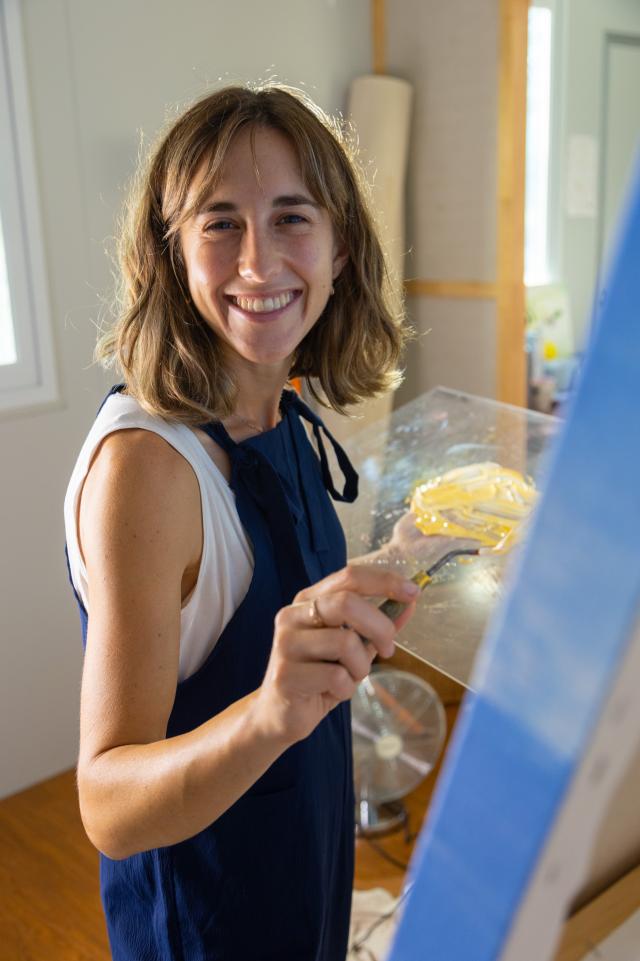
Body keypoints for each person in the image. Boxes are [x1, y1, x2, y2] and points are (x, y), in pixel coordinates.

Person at [64, 83, 419, 961]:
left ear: (340, 250)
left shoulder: (278, 411)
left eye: (292, 217)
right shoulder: (147, 469)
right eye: (220, 223)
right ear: (173, 255)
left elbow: (268, 614)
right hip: (209, 921)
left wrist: (393, 574)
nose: (259, 263)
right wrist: (269, 711)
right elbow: (106, 805)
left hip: (303, 863)